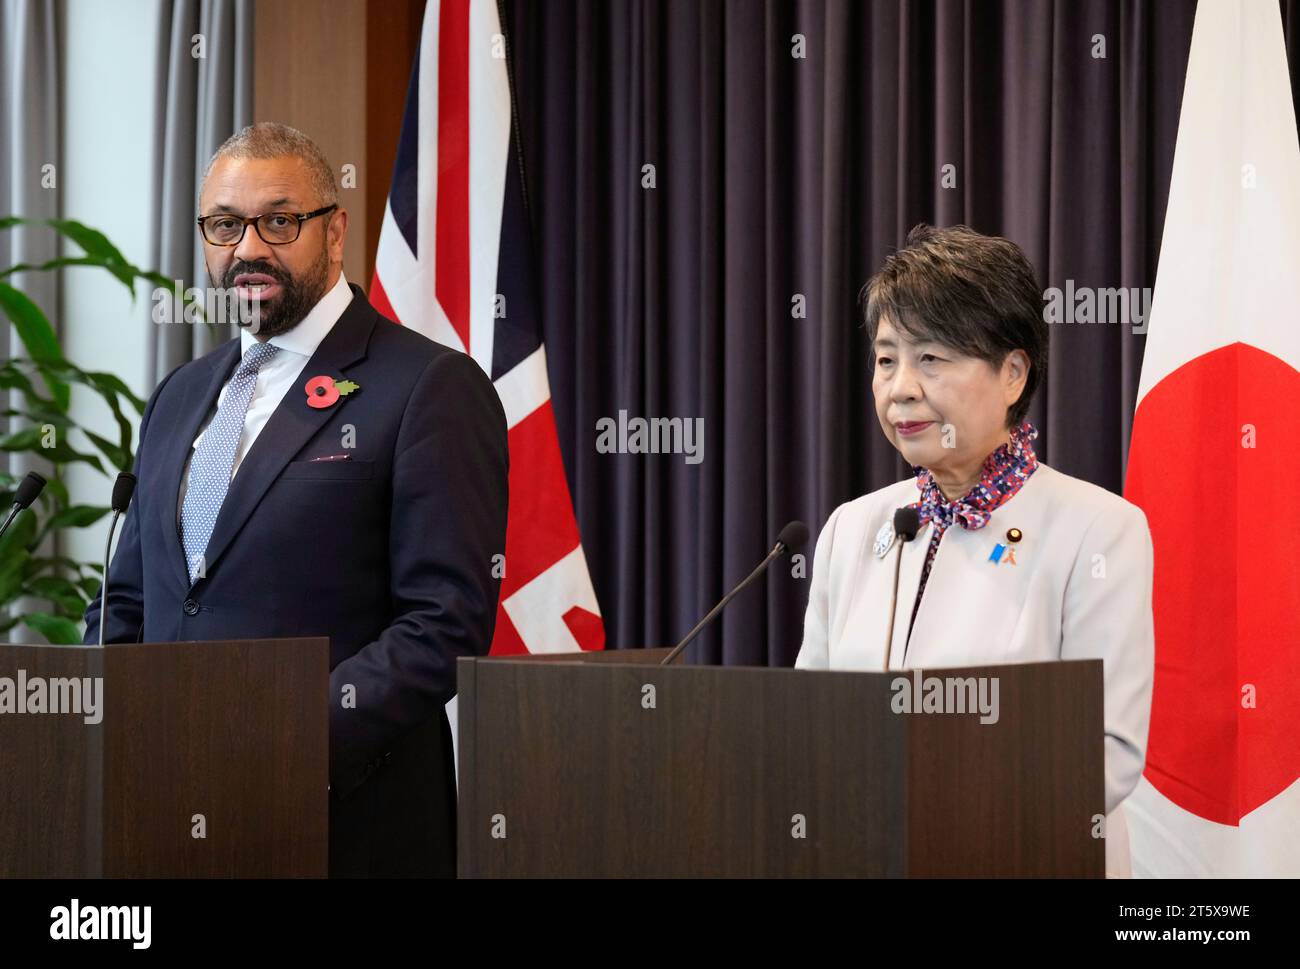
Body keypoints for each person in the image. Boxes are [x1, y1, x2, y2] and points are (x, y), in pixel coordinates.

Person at [82, 122, 508, 877]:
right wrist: (105, 725)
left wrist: (280, 736)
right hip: (167, 813)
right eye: (224, 224)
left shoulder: (427, 387)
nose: (247, 248)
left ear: (335, 231)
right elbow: (129, 604)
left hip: (346, 824)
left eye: (279, 221)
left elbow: (445, 624)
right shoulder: (178, 396)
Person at [795, 223, 1153, 877]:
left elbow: (1108, 754)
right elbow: (808, 725)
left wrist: (934, 822)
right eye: (885, 358)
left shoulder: (1099, 530)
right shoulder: (852, 528)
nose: (900, 386)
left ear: (1012, 373)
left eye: (931, 358)